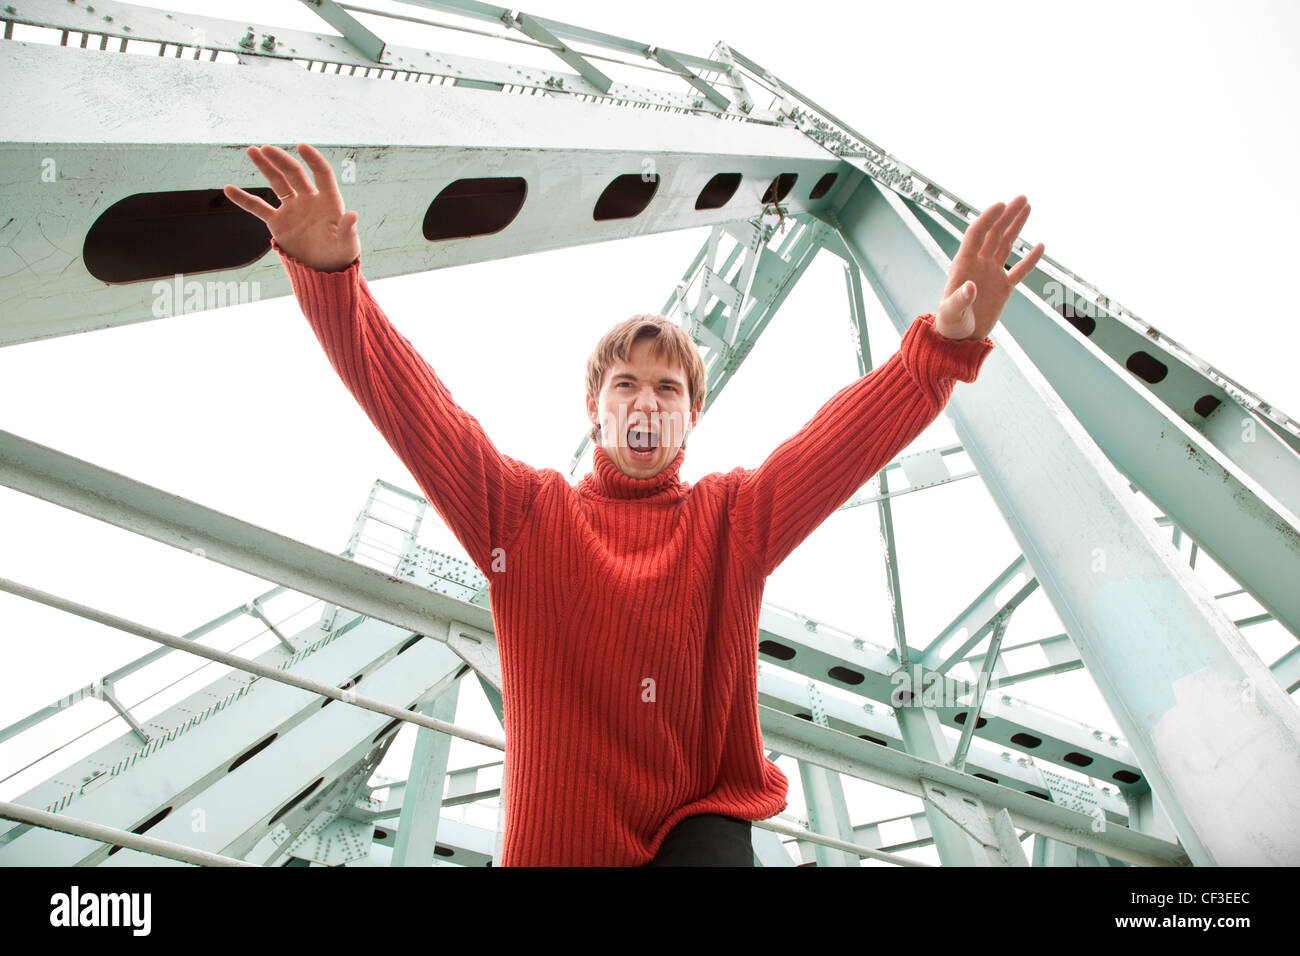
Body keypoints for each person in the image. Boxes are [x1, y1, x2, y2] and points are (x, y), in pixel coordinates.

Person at [224, 143, 1045, 867]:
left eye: (667, 388)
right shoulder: (526, 516)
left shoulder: (733, 519)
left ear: (692, 414)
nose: (645, 402)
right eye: (626, 384)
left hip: (704, 824)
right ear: (596, 409)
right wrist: (334, 284)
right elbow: (414, 408)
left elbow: (840, 443)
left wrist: (940, 346)